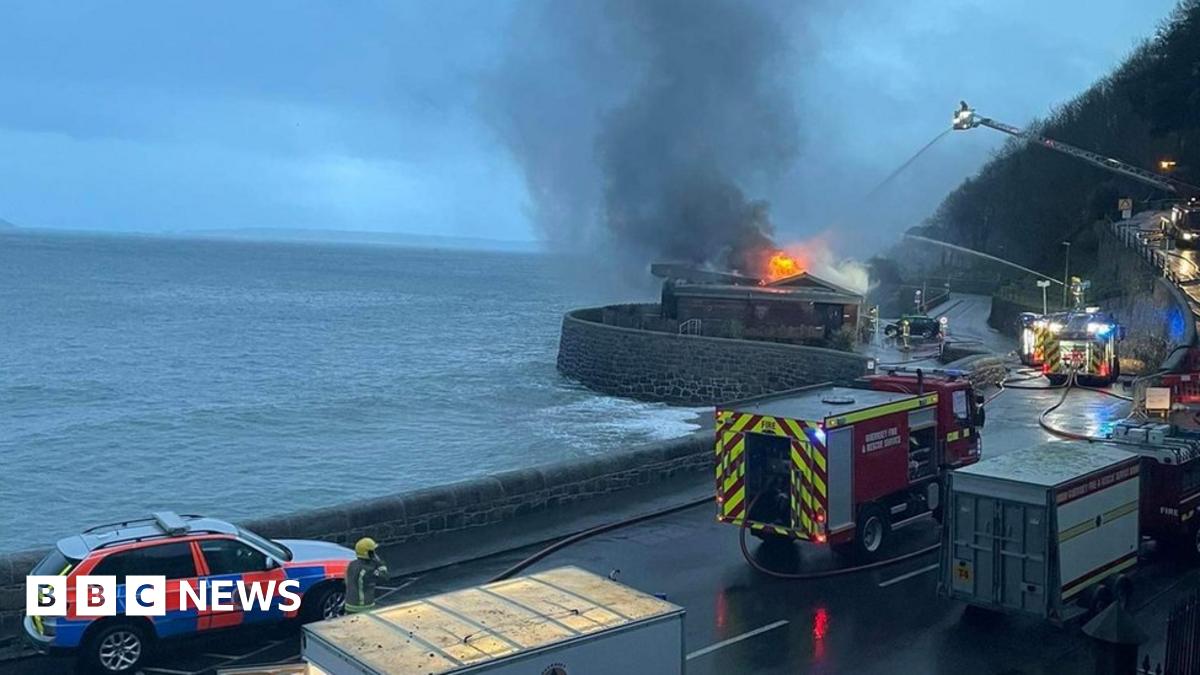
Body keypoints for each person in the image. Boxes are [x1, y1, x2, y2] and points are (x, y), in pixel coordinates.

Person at [344, 537, 389, 614]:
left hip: (349, 604)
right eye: (373, 552)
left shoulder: (352, 564)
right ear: (368, 553)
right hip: (362, 606)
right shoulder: (368, 570)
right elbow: (385, 578)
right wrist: (380, 563)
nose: (375, 553)